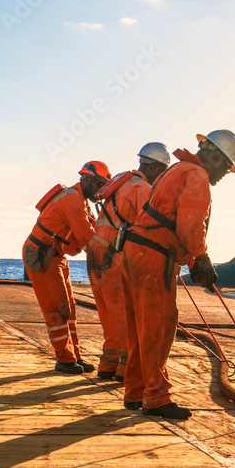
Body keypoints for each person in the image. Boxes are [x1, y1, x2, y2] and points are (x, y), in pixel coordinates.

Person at [120, 130, 235, 420]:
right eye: (226, 167)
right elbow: (190, 224)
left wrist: (191, 260)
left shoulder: (177, 169)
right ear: (214, 157)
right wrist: (202, 258)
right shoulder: (198, 176)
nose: (224, 174)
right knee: (159, 327)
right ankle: (157, 398)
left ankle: (136, 392)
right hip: (153, 258)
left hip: (134, 252)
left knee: (140, 328)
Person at [87, 143, 171, 381]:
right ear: (154, 166)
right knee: (124, 315)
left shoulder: (122, 181)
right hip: (111, 254)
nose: (162, 178)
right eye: (163, 171)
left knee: (107, 314)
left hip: (95, 249)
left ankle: (108, 365)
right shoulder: (142, 188)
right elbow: (147, 227)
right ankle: (125, 371)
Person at [23, 161, 112, 374]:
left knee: (69, 308)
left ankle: (74, 357)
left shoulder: (80, 199)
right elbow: (86, 237)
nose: (101, 191)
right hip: (42, 255)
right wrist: (114, 255)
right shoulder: (73, 199)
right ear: (87, 179)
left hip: (56, 255)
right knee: (57, 308)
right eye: (100, 185)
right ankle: (64, 360)